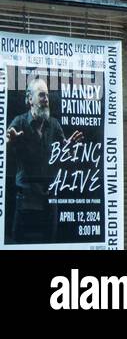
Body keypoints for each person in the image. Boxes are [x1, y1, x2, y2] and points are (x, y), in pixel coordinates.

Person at [5, 78, 82, 244]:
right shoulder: (19, 123)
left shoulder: (54, 125)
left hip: (49, 203)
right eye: (41, 95)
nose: (46, 99)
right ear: (29, 99)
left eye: (47, 95)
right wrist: (9, 143)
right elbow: (4, 153)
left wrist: (70, 149)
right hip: (25, 203)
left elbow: (68, 161)